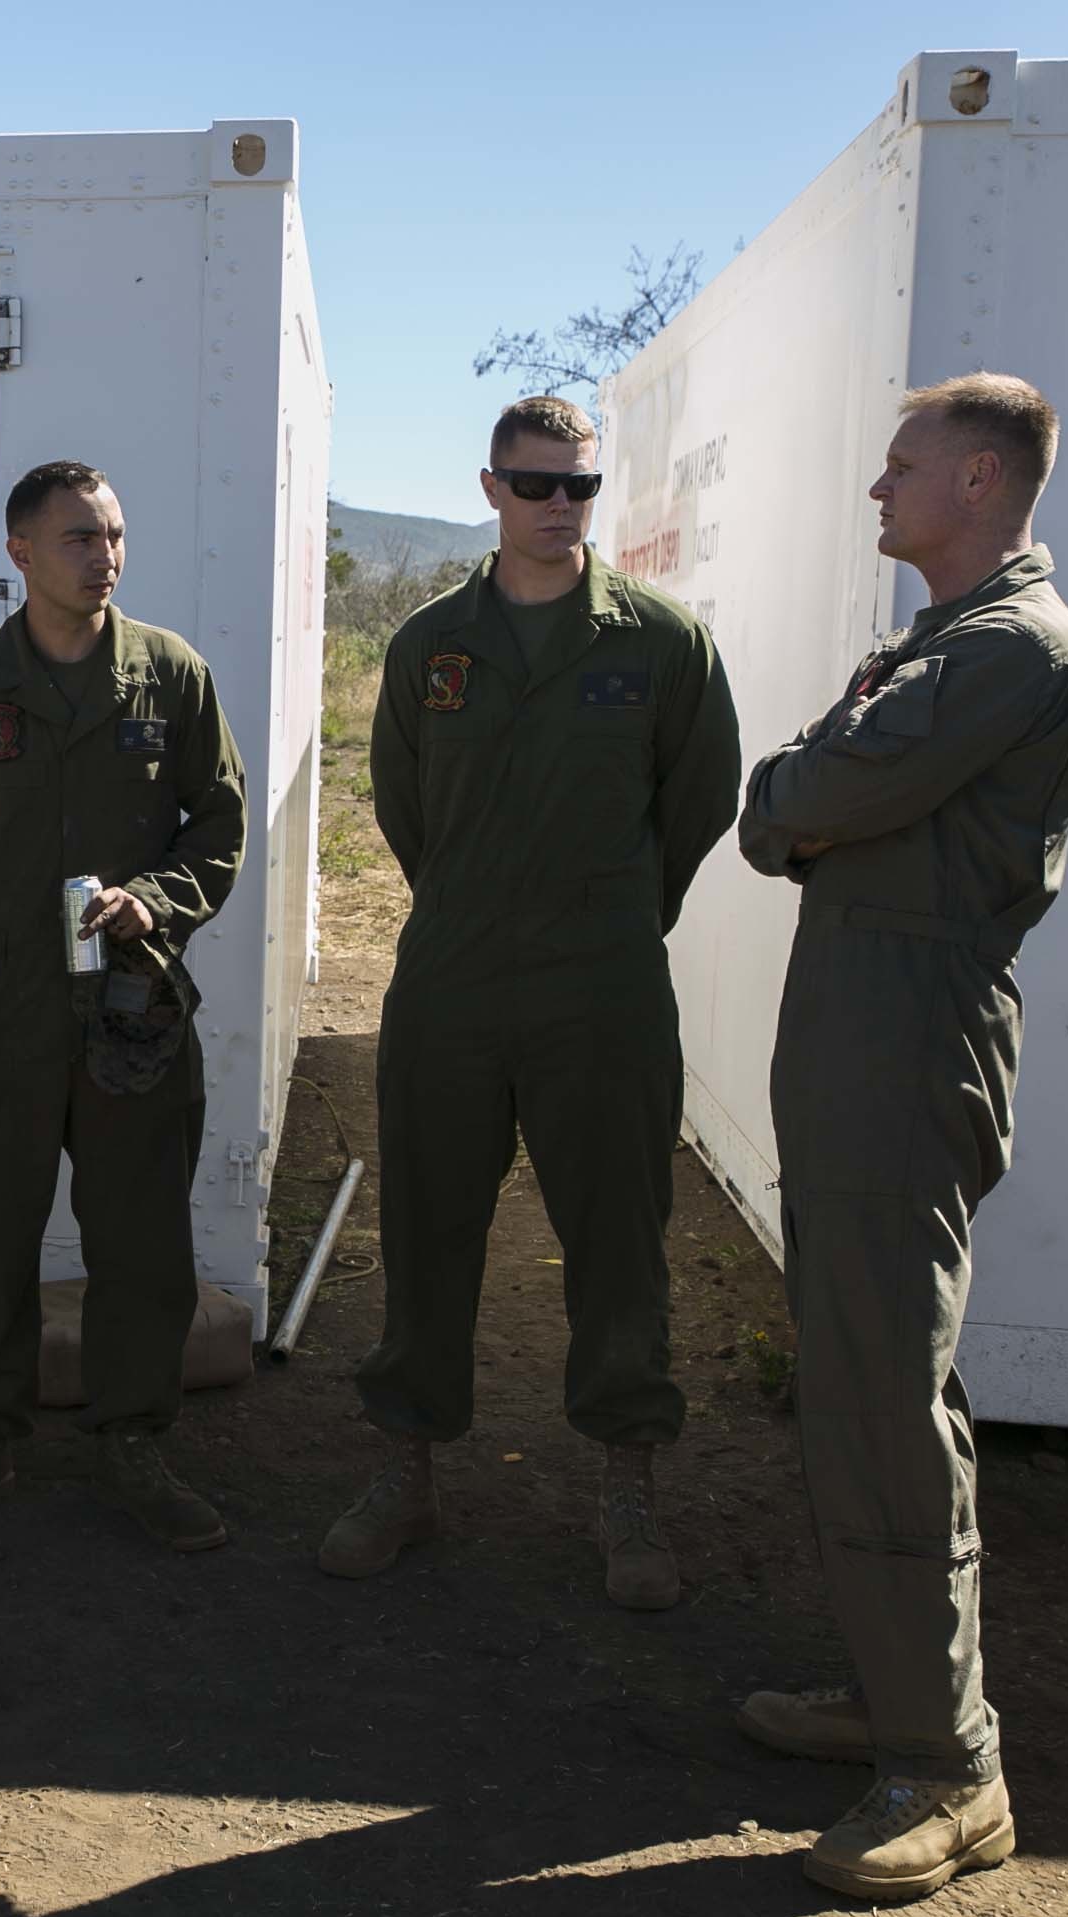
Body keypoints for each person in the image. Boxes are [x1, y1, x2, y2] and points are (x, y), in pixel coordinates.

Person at [733, 373, 1068, 1903]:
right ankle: (898, 1696)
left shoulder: (1016, 649)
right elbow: (778, 810)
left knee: (887, 1393)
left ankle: (950, 1770)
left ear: (979, 481)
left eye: (903, 465)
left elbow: (808, 791)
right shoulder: (943, 643)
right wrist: (802, 803)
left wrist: (803, 802)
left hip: (907, 1046)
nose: (878, 488)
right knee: (855, 1375)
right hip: (858, 1039)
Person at [322, 396, 740, 1606]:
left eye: (580, 486)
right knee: (427, 1228)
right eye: (536, 483)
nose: (561, 505)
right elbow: (403, 805)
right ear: (491, 489)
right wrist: (474, 906)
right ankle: (405, 1469)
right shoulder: (431, 646)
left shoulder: (659, 642)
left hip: (602, 987)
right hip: (451, 983)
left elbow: (698, 802)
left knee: (618, 1240)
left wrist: (612, 915)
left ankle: (628, 1486)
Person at [0, 460, 247, 1551]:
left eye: (115, 536)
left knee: (141, 1237)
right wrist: (8, 927)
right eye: (80, 539)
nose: (106, 558)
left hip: (133, 1007)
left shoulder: (169, 675)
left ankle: (132, 1439)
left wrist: (156, 901)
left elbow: (219, 822)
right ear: (19, 553)